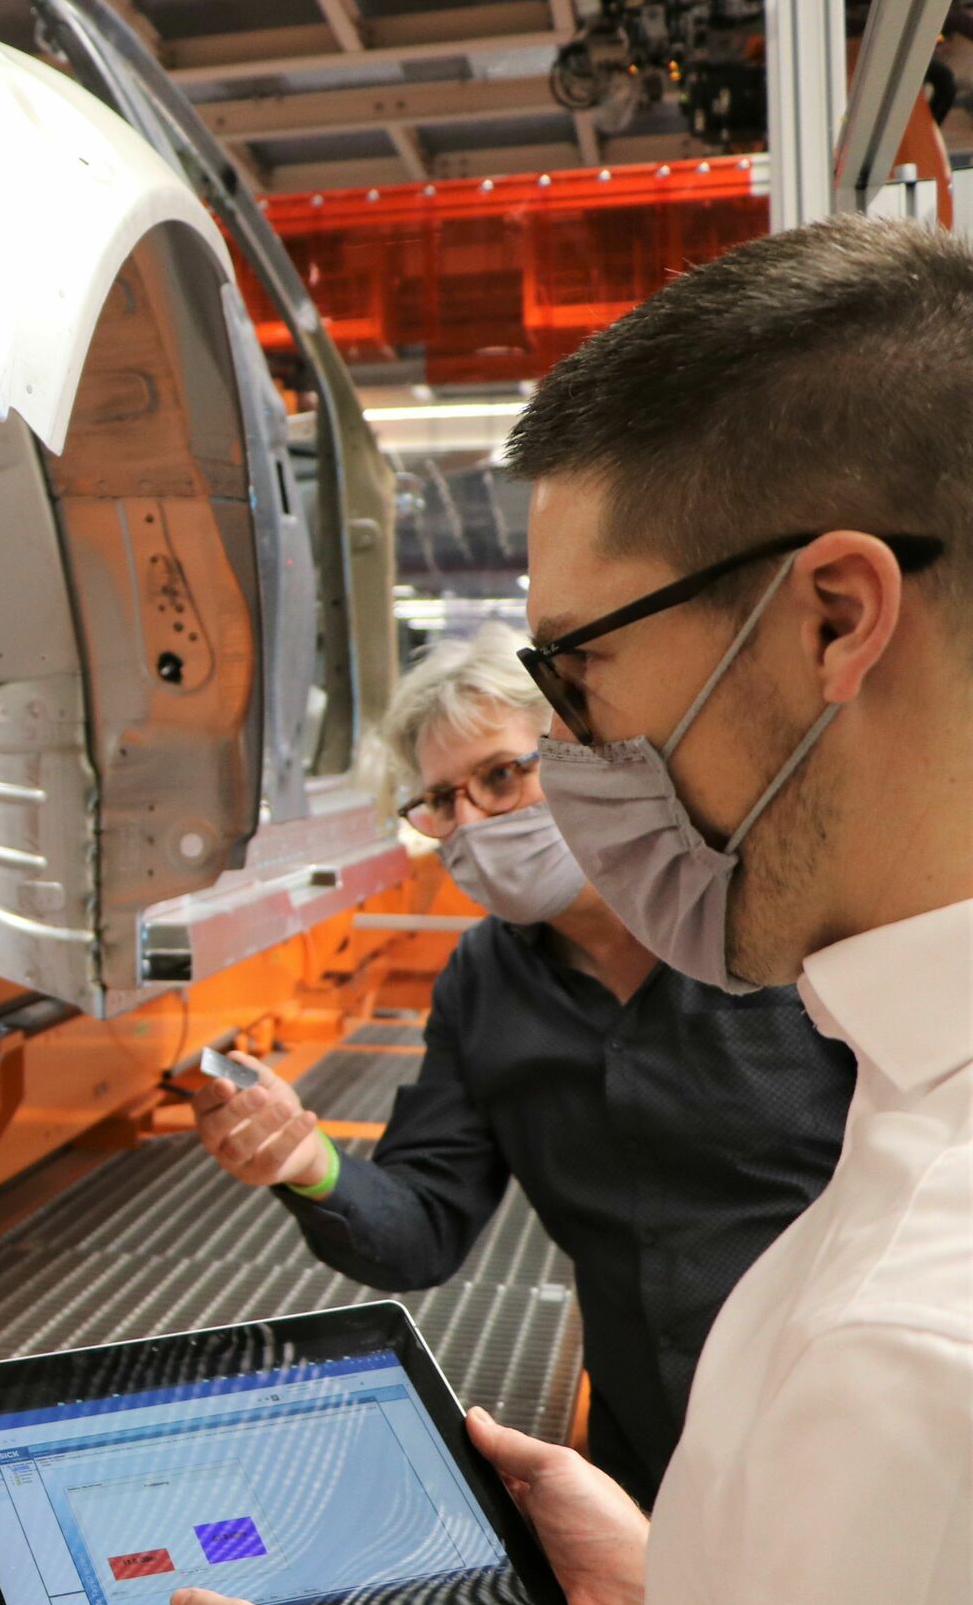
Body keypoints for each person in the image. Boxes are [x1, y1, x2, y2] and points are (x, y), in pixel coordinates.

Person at [175, 217, 973, 1605]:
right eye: (445, 801)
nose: (567, 770)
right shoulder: (864, 1038)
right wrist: (687, 1601)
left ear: (835, 619)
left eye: (579, 676)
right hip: (676, 1496)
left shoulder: (908, 1347)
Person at [185, 625, 852, 1507]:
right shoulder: (482, 982)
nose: (471, 824)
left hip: (853, 1435)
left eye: (501, 776)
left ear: (589, 756)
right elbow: (424, 1226)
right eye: (441, 801)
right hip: (655, 1459)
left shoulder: (783, 928)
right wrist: (308, 1163)